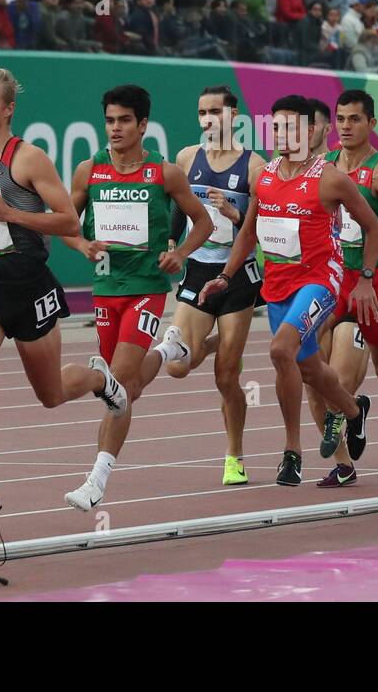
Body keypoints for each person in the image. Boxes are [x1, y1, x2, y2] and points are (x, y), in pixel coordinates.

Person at [0, 68, 128, 521]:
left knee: (50, 394)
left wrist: (11, 212)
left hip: (28, 288)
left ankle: (99, 378)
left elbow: (69, 221)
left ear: (9, 108)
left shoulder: (29, 159)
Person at [199, 95, 376, 487]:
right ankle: (352, 409)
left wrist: (364, 277)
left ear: (310, 131)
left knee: (281, 349)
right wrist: (226, 277)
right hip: (277, 284)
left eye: (291, 127)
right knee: (309, 368)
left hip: (320, 280)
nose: (282, 134)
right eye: (276, 127)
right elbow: (247, 234)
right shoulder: (264, 177)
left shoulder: (329, 177)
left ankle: (292, 452)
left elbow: (374, 227)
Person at [61, 86, 214, 510]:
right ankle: (168, 350)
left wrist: (179, 254)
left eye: (124, 121)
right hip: (106, 288)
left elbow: (202, 223)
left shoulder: (164, 173)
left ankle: (96, 480)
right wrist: (82, 246)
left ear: (142, 125)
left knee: (120, 382)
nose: (115, 128)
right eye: (110, 120)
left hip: (146, 289)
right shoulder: (88, 170)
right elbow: (66, 223)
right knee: (125, 389)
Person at [148, 87, 267, 485]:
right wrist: (172, 243)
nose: (208, 119)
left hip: (237, 277)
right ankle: (217, 340)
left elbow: (264, 228)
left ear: (234, 116)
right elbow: (176, 209)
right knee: (179, 365)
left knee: (225, 377)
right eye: (202, 111)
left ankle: (234, 455)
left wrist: (234, 213)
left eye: (215, 111)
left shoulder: (254, 167)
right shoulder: (185, 158)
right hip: (198, 271)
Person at [308, 90, 378, 489]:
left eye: (355, 119)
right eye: (342, 119)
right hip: (332, 282)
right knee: (308, 362)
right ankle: (347, 429)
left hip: (370, 283)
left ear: (372, 124)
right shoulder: (325, 166)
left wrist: (364, 217)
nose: (347, 127)